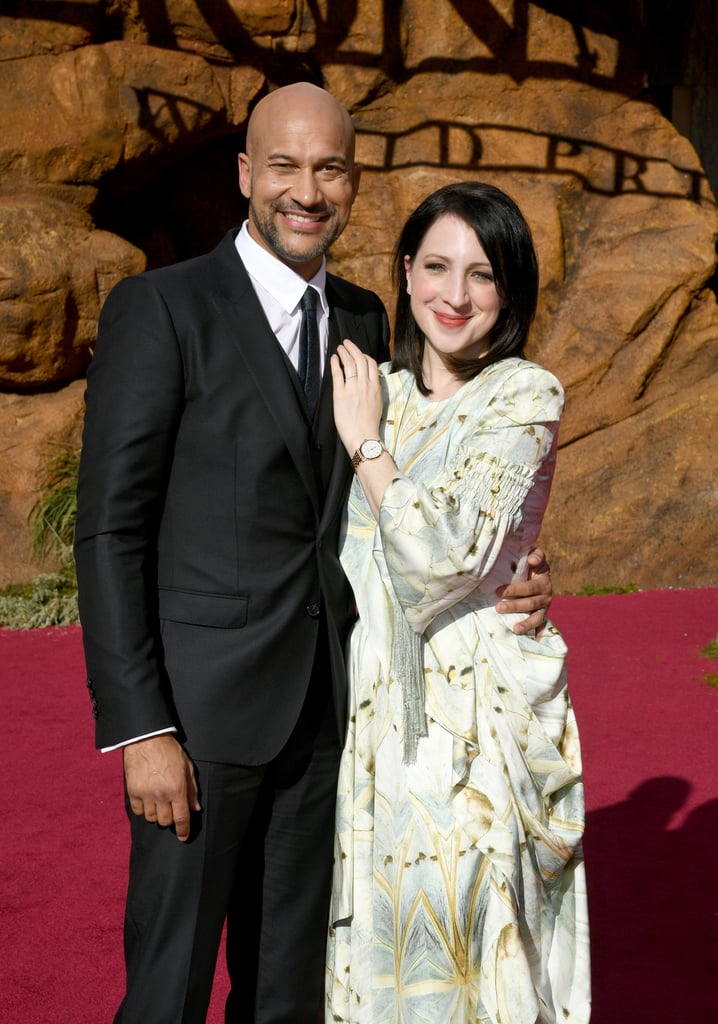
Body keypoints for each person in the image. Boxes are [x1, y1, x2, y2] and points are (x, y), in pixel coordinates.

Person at [73, 83, 553, 1024]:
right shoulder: (161, 308)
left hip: (332, 723)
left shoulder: (372, 323)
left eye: (328, 168)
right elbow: (111, 530)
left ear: (353, 181)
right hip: (198, 727)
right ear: (246, 174)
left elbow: (432, 491)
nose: (307, 190)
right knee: (165, 991)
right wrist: (142, 729)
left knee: (290, 994)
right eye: (284, 166)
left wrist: (526, 566)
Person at [326, 181, 590, 1023]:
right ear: (405, 274)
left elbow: (444, 559)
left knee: (472, 944)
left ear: (508, 289)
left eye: (482, 274)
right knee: (384, 947)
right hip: (374, 720)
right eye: (437, 266)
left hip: (471, 724)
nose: (456, 294)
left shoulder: (524, 394)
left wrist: (366, 445)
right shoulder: (384, 391)